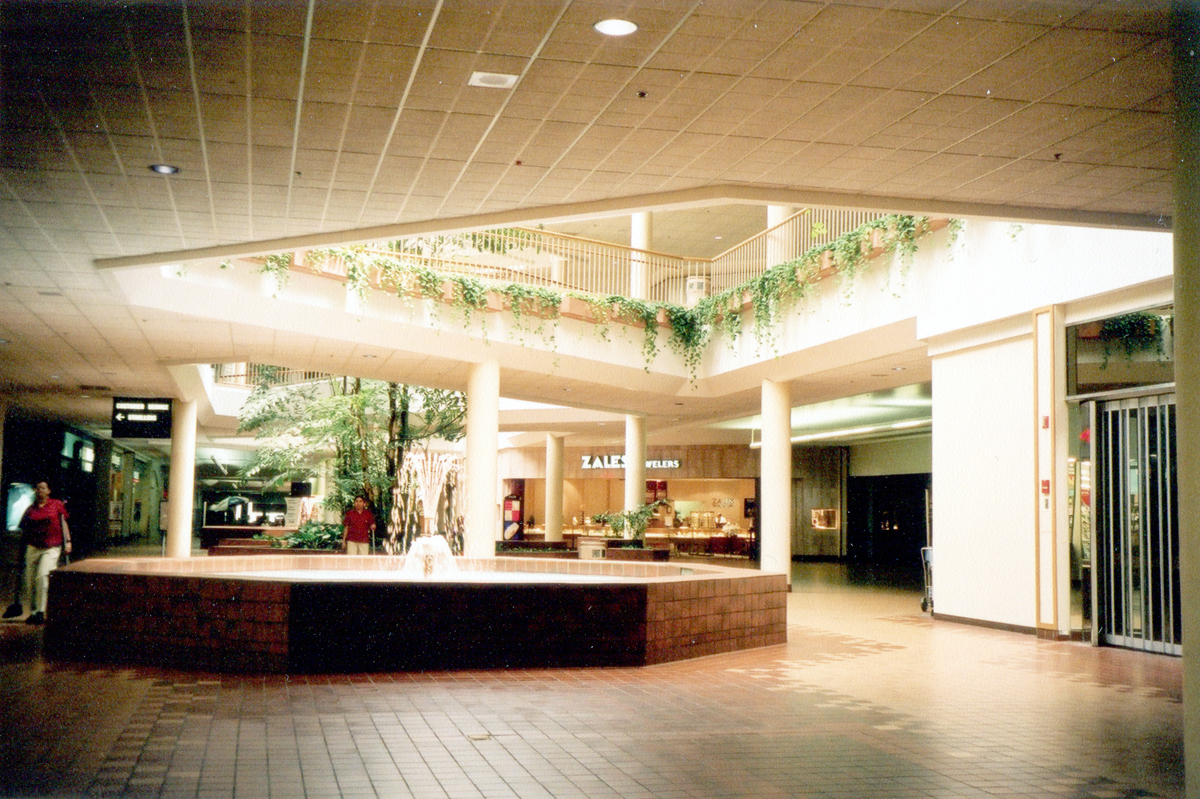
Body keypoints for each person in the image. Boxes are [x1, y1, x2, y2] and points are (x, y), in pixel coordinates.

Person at [10, 480, 70, 625]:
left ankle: (41, 611)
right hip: (33, 547)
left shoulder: (56, 504)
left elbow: (63, 523)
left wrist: (68, 541)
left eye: (43, 488)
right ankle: (33, 612)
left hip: (51, 547)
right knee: (30, 580)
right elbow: (24, 530)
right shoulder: (30, 509)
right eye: (38, 488)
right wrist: (20, 551)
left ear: (49, 491)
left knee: (42, 576)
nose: (40, 490)